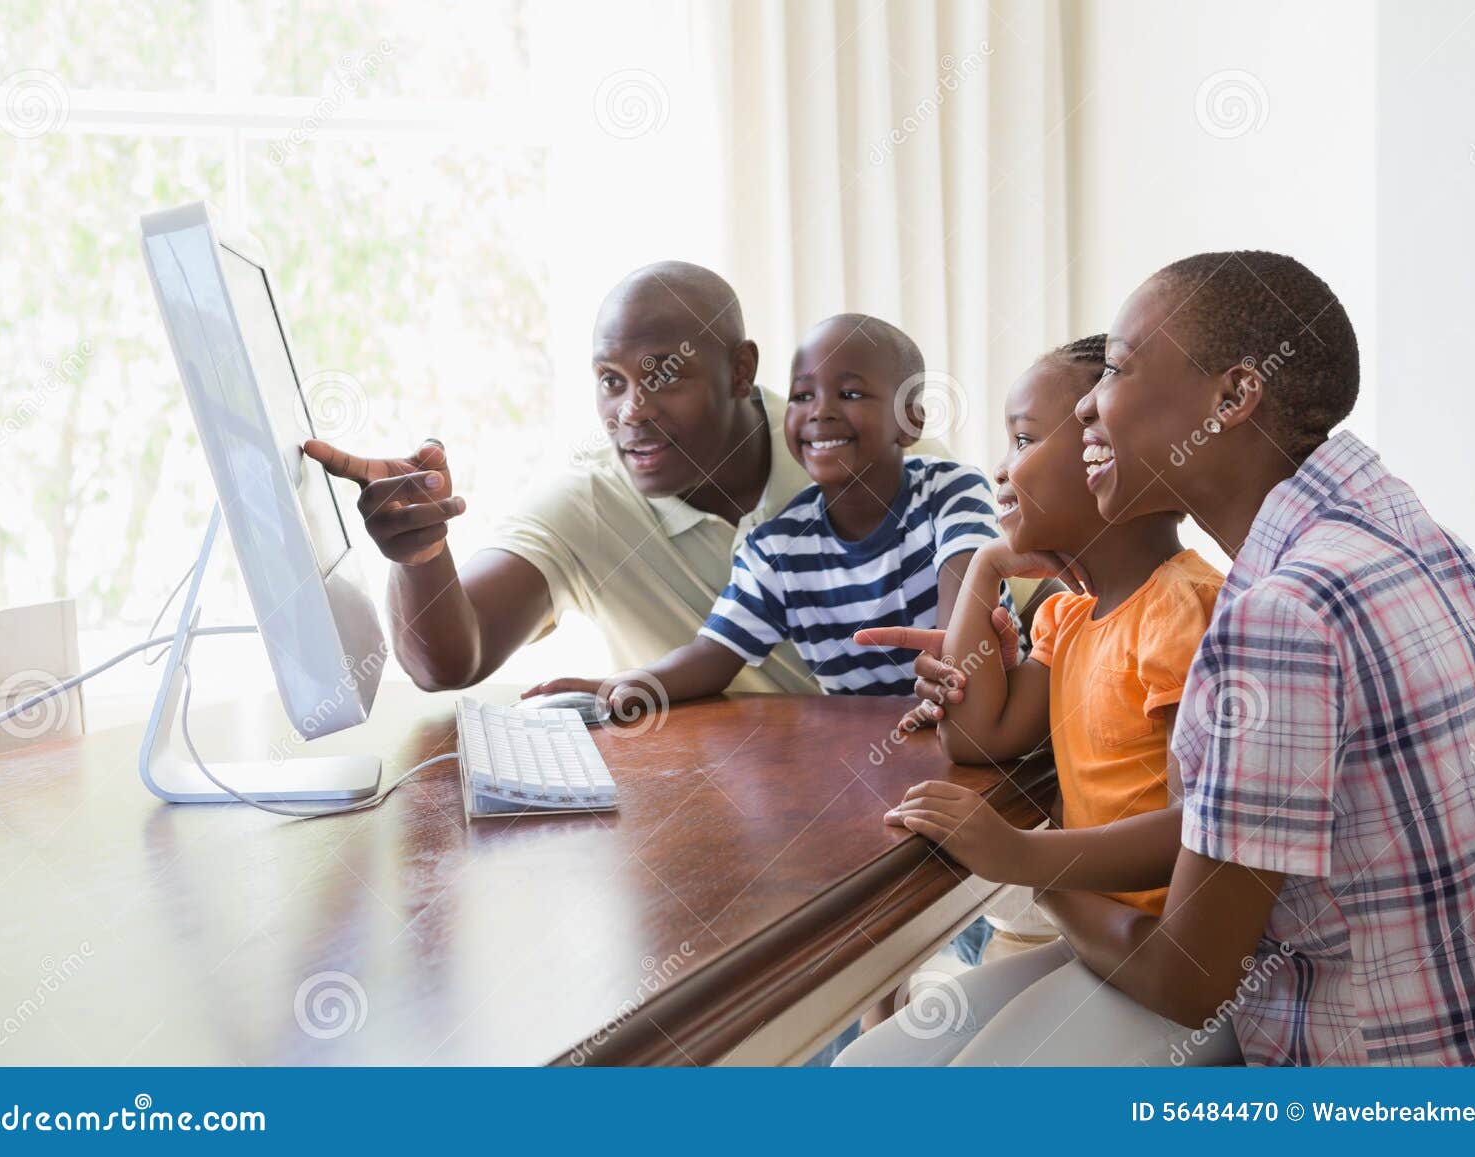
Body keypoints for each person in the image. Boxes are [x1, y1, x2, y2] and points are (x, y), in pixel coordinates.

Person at [881, 251, 1475, 1066]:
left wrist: (1029, 863)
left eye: (1114, 371)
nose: (1089, 407)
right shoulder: (1405, 533)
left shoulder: (1280, 616)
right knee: (887, 1068)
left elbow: (1188, 976)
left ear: (1236, 396)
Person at [837, 335, 1230, 1065]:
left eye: (1021, 438)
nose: (999, 467)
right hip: (1095, 935)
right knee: (868, 1065)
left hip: (1171, 957)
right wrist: (988, 566)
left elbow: (1202, 826)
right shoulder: (1066, 615)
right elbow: (979, 734)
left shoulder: (1181, 605)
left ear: (1103, 453)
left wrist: (1025, 854)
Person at [305, 261, 826, 696]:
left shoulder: (877, 461)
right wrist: (420, 557)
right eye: (611, 382)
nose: (632, 412)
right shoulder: (588, 501)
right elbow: (450, 664)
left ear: (740, 370)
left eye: (664, 376)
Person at [522, 313, 1014, 709]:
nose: (819, 411)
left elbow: (964, 625)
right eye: (802, 395)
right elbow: (711, 656)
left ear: (910, 422)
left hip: (986, 713)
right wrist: (622, 687)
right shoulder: (777, 547)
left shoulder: (951, 491)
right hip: (873, 751)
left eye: (849, 394)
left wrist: (949, 676)